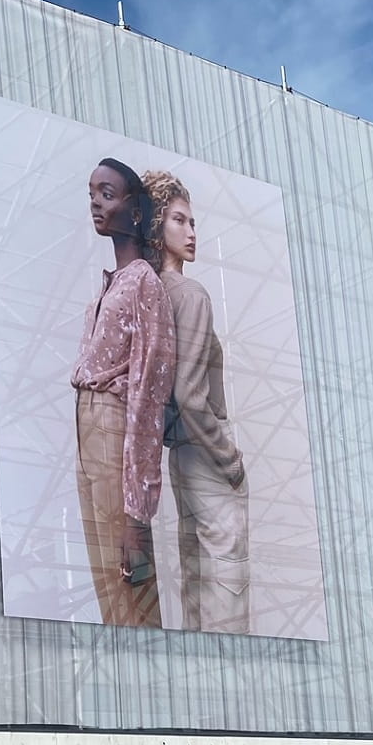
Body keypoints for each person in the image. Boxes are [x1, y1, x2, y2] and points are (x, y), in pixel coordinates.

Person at [143, 171, 249, 633]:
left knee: (195, 577)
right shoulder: (191, 294)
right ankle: (240, 689)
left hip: (180, 456)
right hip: (207, 450)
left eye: (192, 221)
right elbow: (190, 392)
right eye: (179, 220)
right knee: (228, 583)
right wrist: (231, 460)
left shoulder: (151, 294)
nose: (191, 232)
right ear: (157, 229)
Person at [72, 157, 175, 628]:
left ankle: (155, 683)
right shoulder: (107, 285)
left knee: (129, 573)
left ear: (135, 211)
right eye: (92, 192)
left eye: (107, 194)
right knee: (104, 579)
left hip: (116, 426)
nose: (95, 201)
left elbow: (149, 395)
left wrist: (138, 509)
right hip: (88, 427)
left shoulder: (145, 285)